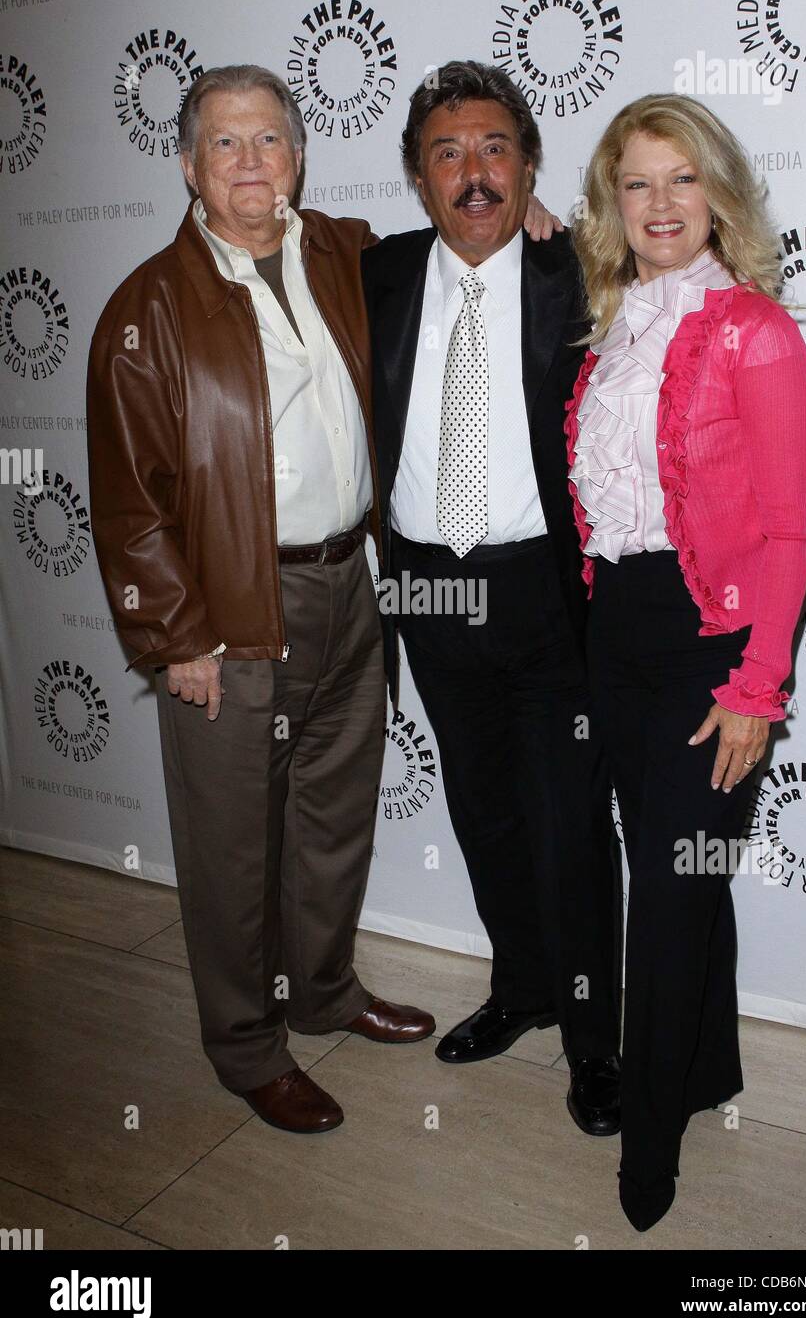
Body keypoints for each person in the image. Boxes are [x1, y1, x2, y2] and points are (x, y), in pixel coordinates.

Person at [86, 64, 436, 1135]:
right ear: (188, 164)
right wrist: (173, 636)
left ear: (299, 155)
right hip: (229, 612)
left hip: (348, 588)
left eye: (268, 140)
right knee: (234, 842)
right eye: (225, 143)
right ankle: (245, 1044)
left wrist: (535, 221)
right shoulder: (147, 306)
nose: (249, 163)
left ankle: (323, 990)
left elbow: (452, 263)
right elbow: (129, 496)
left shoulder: (344, 253)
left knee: (332, 816)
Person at [565, 93, 806, 1228]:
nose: (658, 203)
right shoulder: (611, 323)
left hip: (707, 648)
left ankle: (651, 1143)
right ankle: (705, 1065)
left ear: (716, 193)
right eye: (635, 181)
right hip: (611, 632)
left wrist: (755, 689)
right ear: (610, 202)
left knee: (667, 897)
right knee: (676, 879)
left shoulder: (754, 330)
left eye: (680, 179)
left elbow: (785, 529)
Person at [363, 61, 623, 1135]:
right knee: (482, 809)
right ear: (418, 179)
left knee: (571, 827)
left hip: (543, 593)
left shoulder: (586, 274)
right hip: (426, 586)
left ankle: (593, 1042)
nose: (472, 174)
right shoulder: (372, 274)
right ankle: (518, 987)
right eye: (446, 153)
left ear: (527, 168)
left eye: (493, 150)